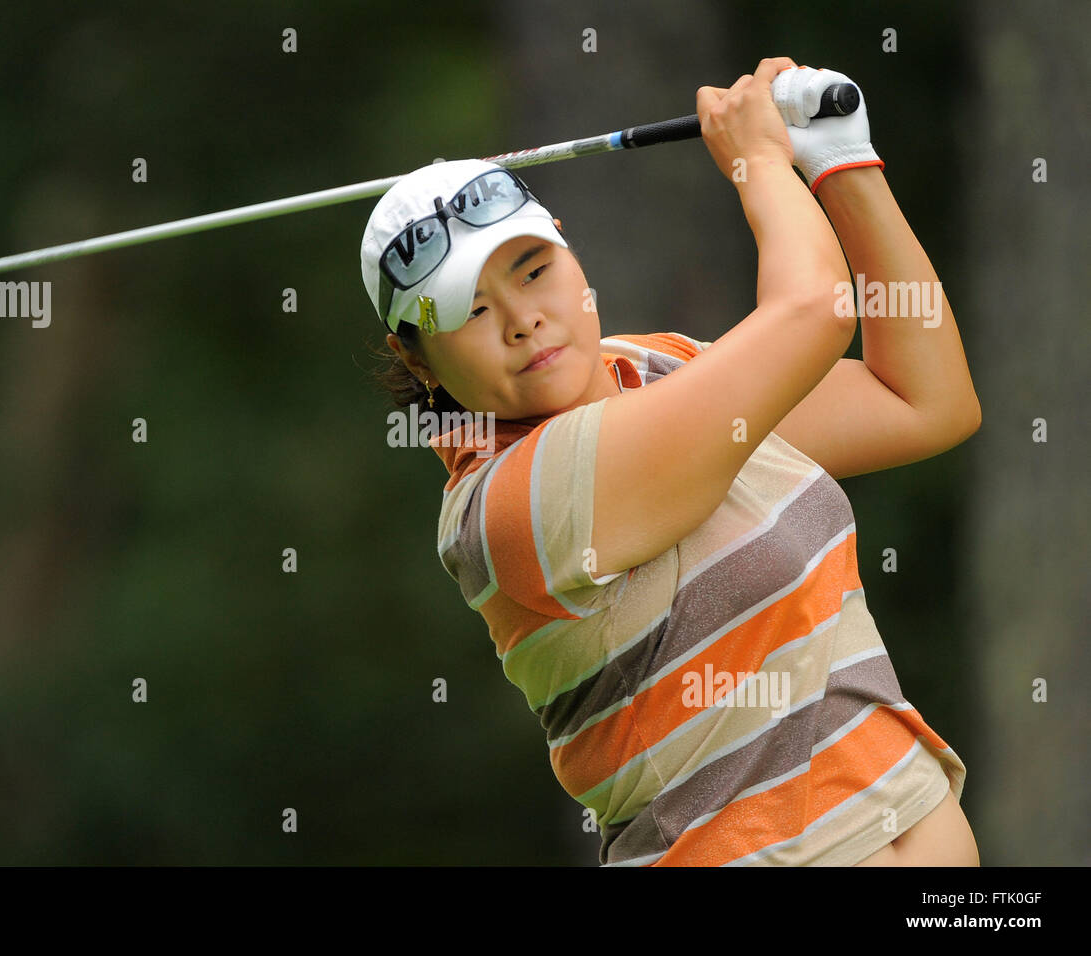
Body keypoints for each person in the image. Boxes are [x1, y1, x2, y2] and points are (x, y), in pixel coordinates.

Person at [360, 56, 981, 866]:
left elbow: (925, 403)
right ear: (422, 366)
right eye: (471, 311)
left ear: (570, 256)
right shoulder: (512, 510)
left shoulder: (655, 367)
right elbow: (810, 310)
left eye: (535, 271)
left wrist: (841, 162)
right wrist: (759, 162)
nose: (523, 321)